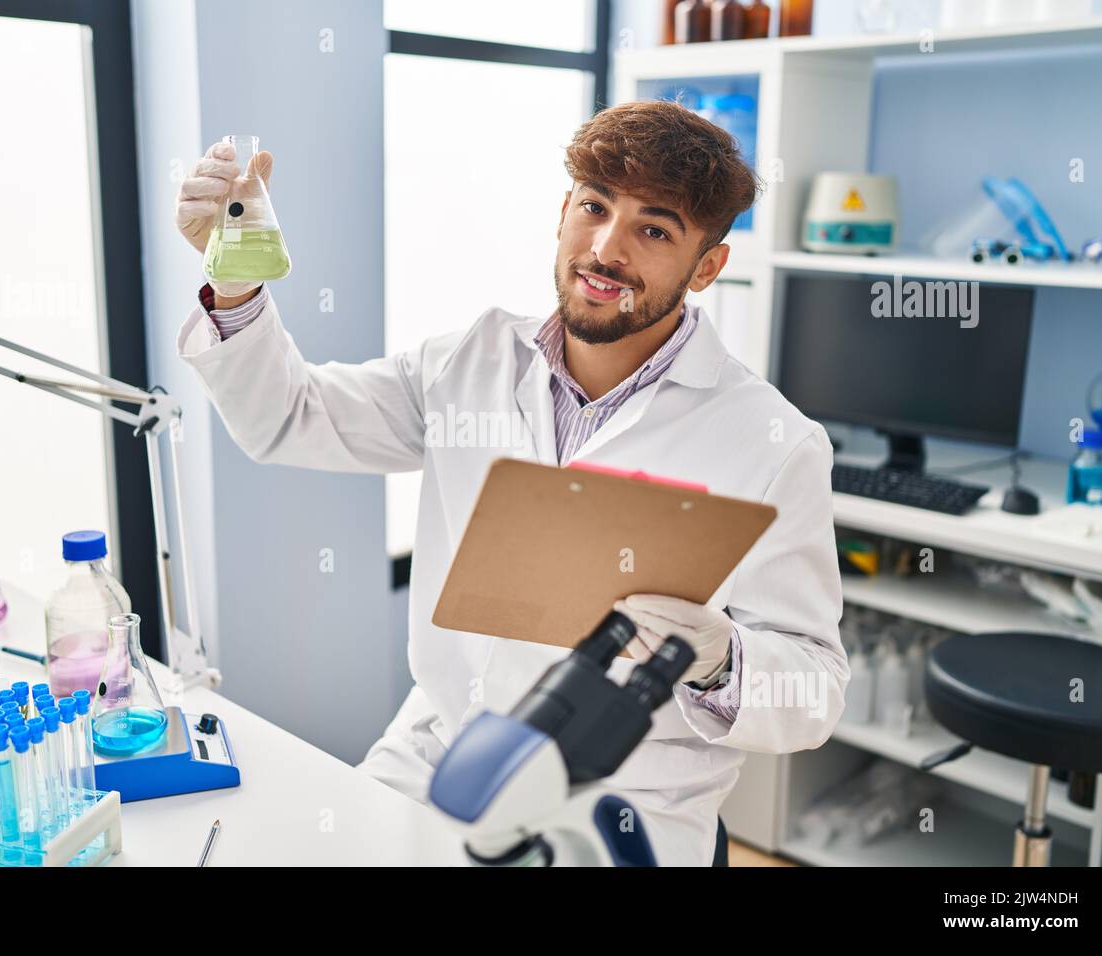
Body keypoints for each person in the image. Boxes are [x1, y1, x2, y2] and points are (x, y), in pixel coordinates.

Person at [174, 101, 848, 866]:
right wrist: (235, 286)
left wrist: (723, 658)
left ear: (707, 267)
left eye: (653, 230)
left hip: (626, 804)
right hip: (440, 757)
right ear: (565, 210)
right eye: (593, 207)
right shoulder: (472, 359)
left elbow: (815, 691)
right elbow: (288, 418)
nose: (605, 249)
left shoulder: (774, 441)